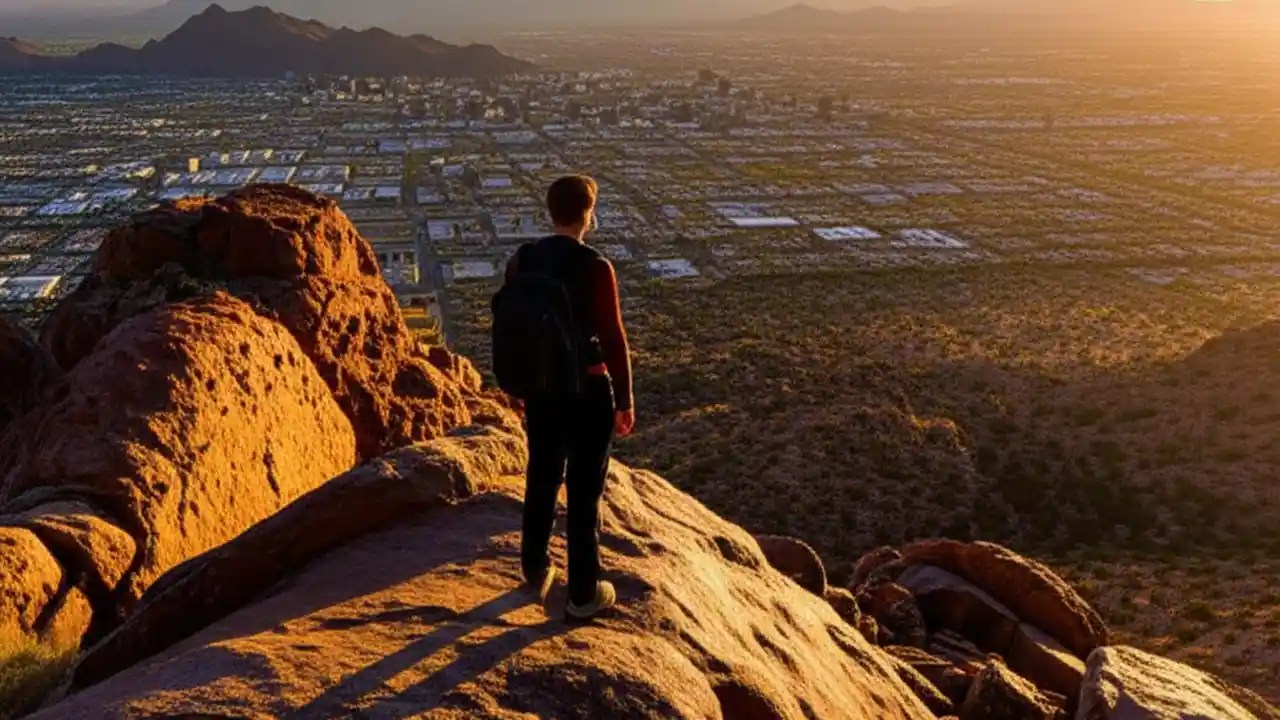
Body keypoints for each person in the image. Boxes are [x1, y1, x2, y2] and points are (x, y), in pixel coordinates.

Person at [507, 175, 635, 621]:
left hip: (541, 388)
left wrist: (519, 386)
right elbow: (613, 338)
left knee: (541, 474)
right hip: (588, 389)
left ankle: (534, 564)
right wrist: (625, 399)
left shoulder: (522, 260)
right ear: (589, 213)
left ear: (550, 211)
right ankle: (583, 593)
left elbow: (516, 330)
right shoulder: (595, 266)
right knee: (584, 491)